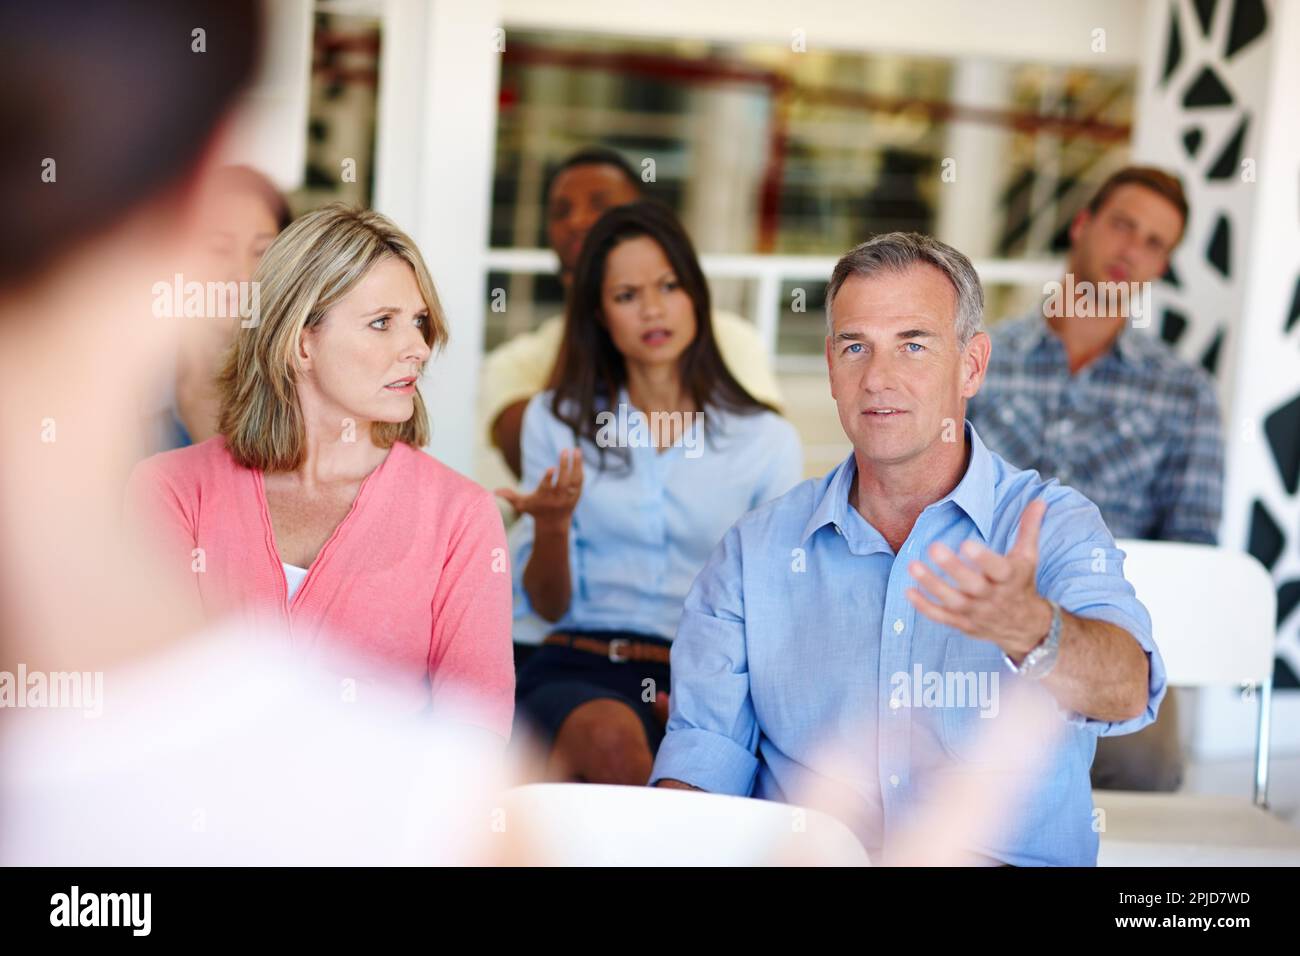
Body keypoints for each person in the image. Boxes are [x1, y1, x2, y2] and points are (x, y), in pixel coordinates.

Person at [650, 232, 1166, 867]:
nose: (879, 378)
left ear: (972, 365)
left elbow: (1127, 691)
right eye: (855, 346)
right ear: (831, 368)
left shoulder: (1052, 525)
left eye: (913, 345)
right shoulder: (753, 553)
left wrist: (1035, 630)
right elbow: (702, 765)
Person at [125, 203, 515, 737]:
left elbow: (478, 738)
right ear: (301, 342)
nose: (420, 348)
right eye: (383, 323)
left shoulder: (461, 515)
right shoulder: (171, 489)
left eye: (420, 322)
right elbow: (145, 705)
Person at [497, 201, 802, 785]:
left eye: (669, 285)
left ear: (697, 296)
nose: (654, 309)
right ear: (599, 314)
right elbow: (547, 606)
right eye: (627, 295)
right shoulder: (555, 421)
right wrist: (554, 525)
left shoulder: (764, 439)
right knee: (612, 739)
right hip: (574, 664)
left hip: (702, 677)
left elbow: (775, 607)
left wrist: (712, 702)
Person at [968, 166, 1223, 792]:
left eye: (1155, 242)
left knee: (1145, 763)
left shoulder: (1184, 392)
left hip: (1107, 640)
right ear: (1082, 225)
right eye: (1122, 225)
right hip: (976, 629)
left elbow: (1191, 551)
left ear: (1161, 268)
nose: (1132, 249)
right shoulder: (978, 358)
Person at [481, 146, 782, 479]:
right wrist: (583, 305)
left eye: (600, 206)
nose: (577, 221)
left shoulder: (733, 339)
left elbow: (758, 458)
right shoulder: (515, 360)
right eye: (560, 211)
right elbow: (536, 466)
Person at [172, 164, 293, 446]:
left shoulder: (296, 399)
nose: (241, 273)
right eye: (219, 249)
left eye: (261, 251)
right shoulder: (125, 387)